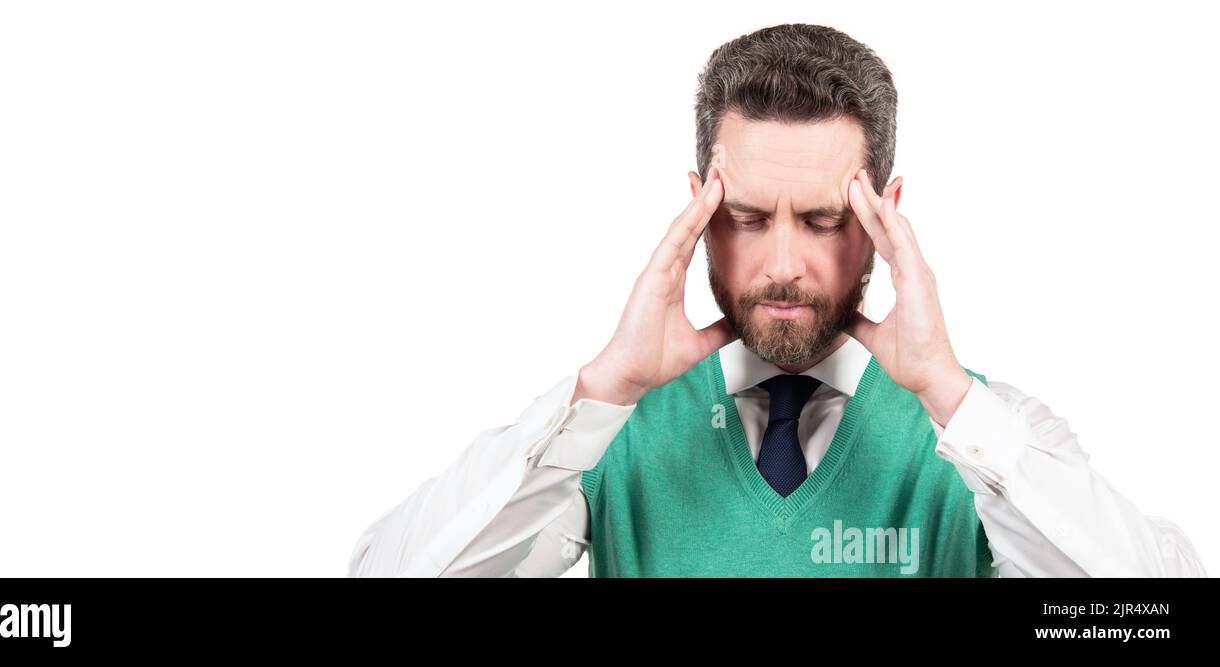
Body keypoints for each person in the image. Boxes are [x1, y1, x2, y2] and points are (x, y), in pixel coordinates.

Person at [348, 23, 1207, 577]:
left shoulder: (983, 438)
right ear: (699, 206)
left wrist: (949, 395)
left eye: (827, 219)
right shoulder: (612, 436)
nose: (785, 264)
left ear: (884, 218)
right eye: (750, 217)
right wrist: (602, 389)